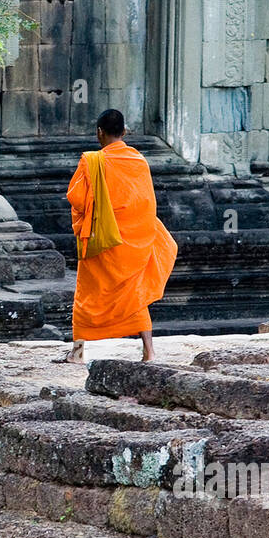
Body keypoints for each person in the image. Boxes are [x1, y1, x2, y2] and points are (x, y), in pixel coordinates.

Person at [63, 109, 177, 363]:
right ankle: (148, 351)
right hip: (134, 240)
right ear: (124, 132)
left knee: (87, 294)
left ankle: (77, 353)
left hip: (101, 239)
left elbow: (77, 198)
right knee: (134, 294)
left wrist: (98, 207)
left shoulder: (92, 161)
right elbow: (146, 202)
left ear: (99, 132)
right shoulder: (138, 161)